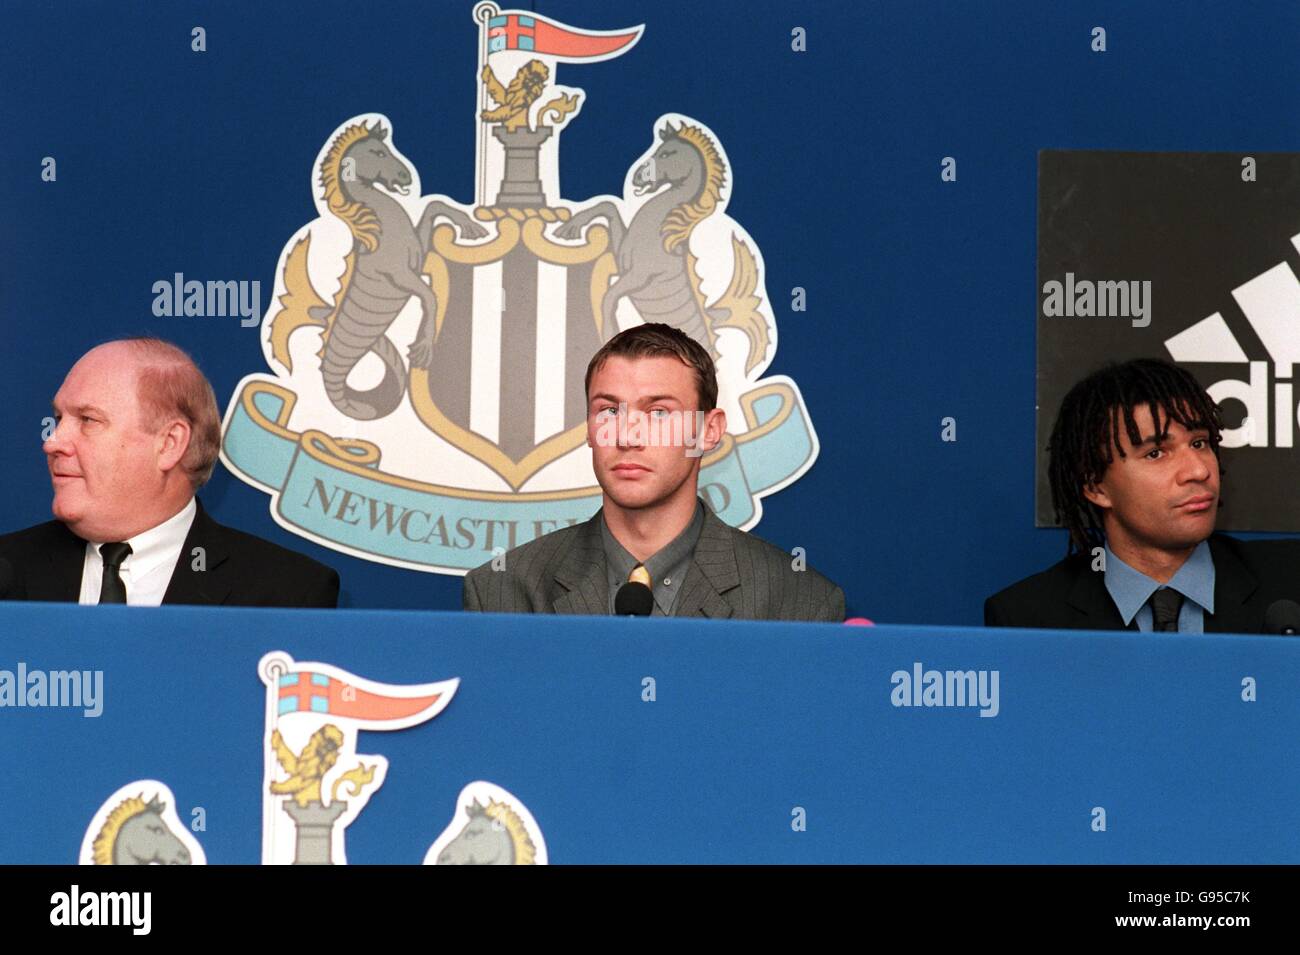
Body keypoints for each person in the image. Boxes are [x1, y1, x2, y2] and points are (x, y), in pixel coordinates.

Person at [463, 323, 845, 620]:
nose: (628, 436)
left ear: (708, 431)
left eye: (658, 413)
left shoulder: (797, 601)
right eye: (609, 411)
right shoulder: (502, 592)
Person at [0, 338, 339, 607]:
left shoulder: (287, 592)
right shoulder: (8, 569)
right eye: (59, 419)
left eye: (88, 420)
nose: (53, 442)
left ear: (169, 444)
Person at [984, 357, 1300, 633]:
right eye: (1156, 453)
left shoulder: (1290, 582)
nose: (1198, 471)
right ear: (1096, 486)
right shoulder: (1028, 617)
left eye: (1199, 443)